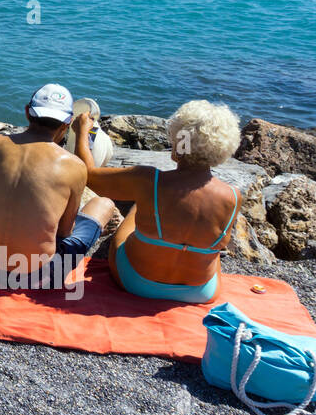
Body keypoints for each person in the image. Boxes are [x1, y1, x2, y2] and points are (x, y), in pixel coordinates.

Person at [74, 100, 241, 303]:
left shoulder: (149, 181)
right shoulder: (233, 196)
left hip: (137, 283)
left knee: (139, 207)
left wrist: (82, 131)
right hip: (200, 293)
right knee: (208, 247)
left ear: (180, 142)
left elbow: (91, 176)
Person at [0, 85, 117, 281]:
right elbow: (64, 232)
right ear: (68, 122)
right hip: (38, 276)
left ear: (28, 112)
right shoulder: (74, 166)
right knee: (104, 204)